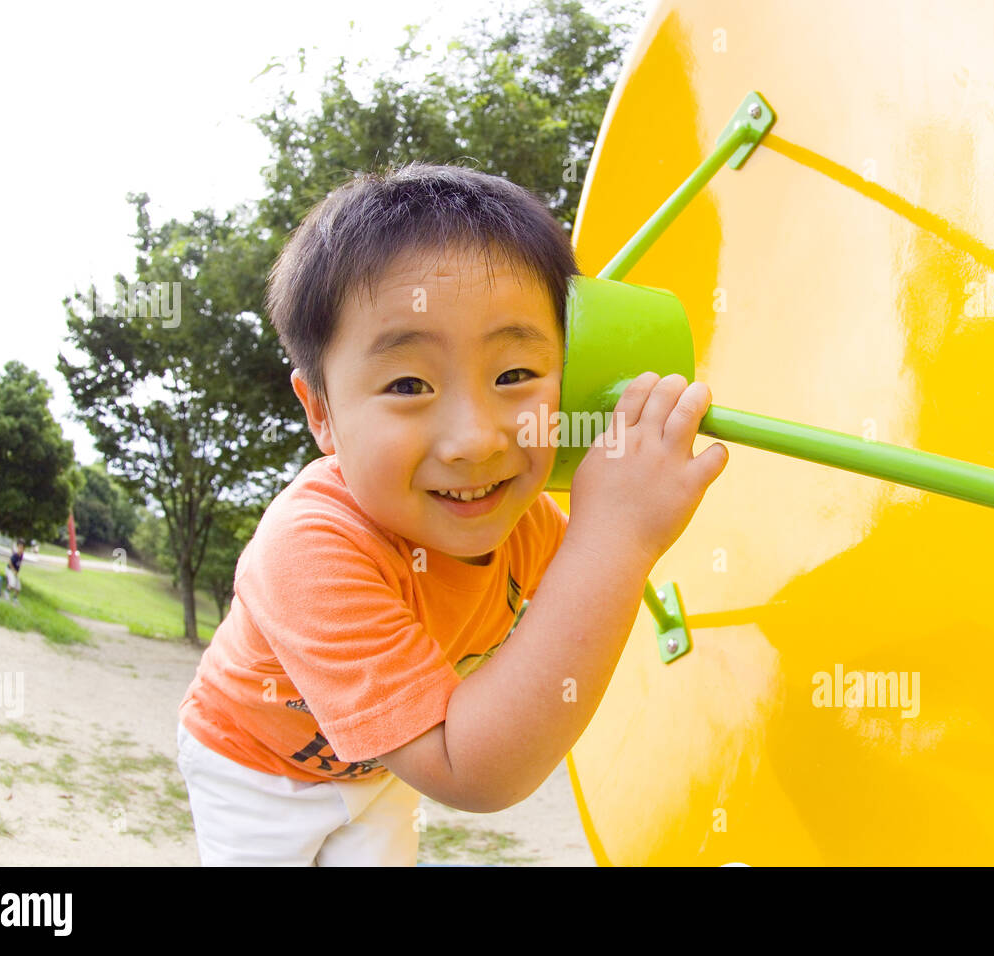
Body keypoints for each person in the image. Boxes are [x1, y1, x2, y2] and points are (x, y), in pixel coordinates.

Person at [175, 162, 728, 866]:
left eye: (515, 375)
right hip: (256, 770)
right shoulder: (310, 548)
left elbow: (573, 632)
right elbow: (471, 768)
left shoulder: (534, 531)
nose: (474, 440)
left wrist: (618, 522)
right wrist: (614, 538)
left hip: (379, 769)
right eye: (409, 383)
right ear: (321, 413)